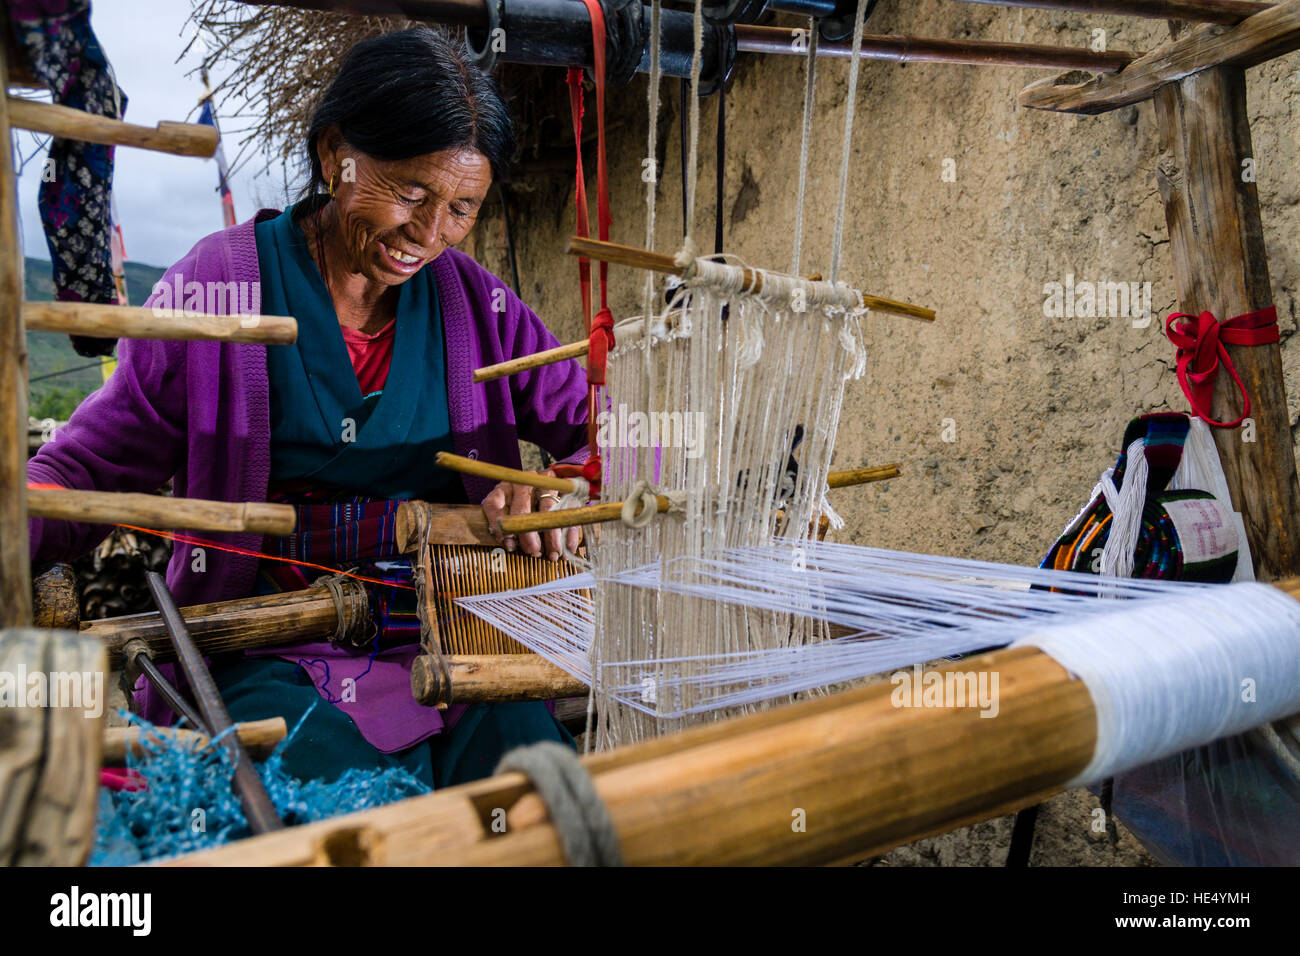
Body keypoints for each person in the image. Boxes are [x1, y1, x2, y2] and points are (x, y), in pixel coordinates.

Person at [27, 27, 590, 788]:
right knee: (320, 791)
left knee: (530, 776)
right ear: (335, 155)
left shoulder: (475, 305)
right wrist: (18, 521)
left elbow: (618, 431)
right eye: (410, 194)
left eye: (461, 208)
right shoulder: (218, 291)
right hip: (271, 644)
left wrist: (566, 484)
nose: (427, 236)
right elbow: (85, 470)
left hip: (447, 635)